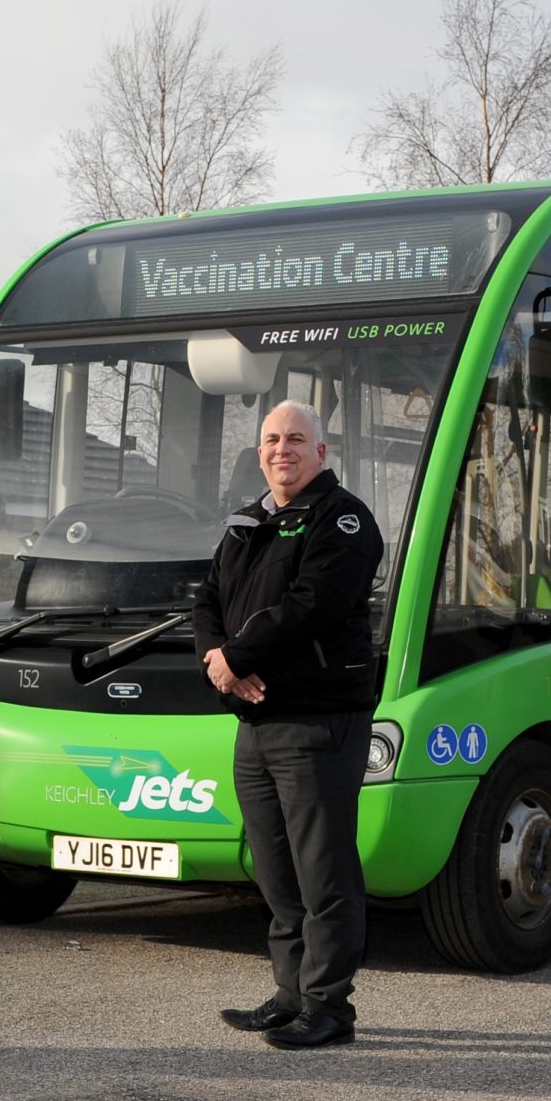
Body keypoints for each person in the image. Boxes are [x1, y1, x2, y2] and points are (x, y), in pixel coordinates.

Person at [191, 399, 384, 1050]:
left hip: (318, 720)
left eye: (296, 439)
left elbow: (312, 607)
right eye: (272, 439)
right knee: (276, 869)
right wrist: (217, 662)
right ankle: (290, 991)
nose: (282, 449)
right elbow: (206, 599)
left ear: (321, 452)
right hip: (256, 722)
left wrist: (235, 657)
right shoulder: (250, 521)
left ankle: (330, 1005)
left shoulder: (346, 519)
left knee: (323, 868)